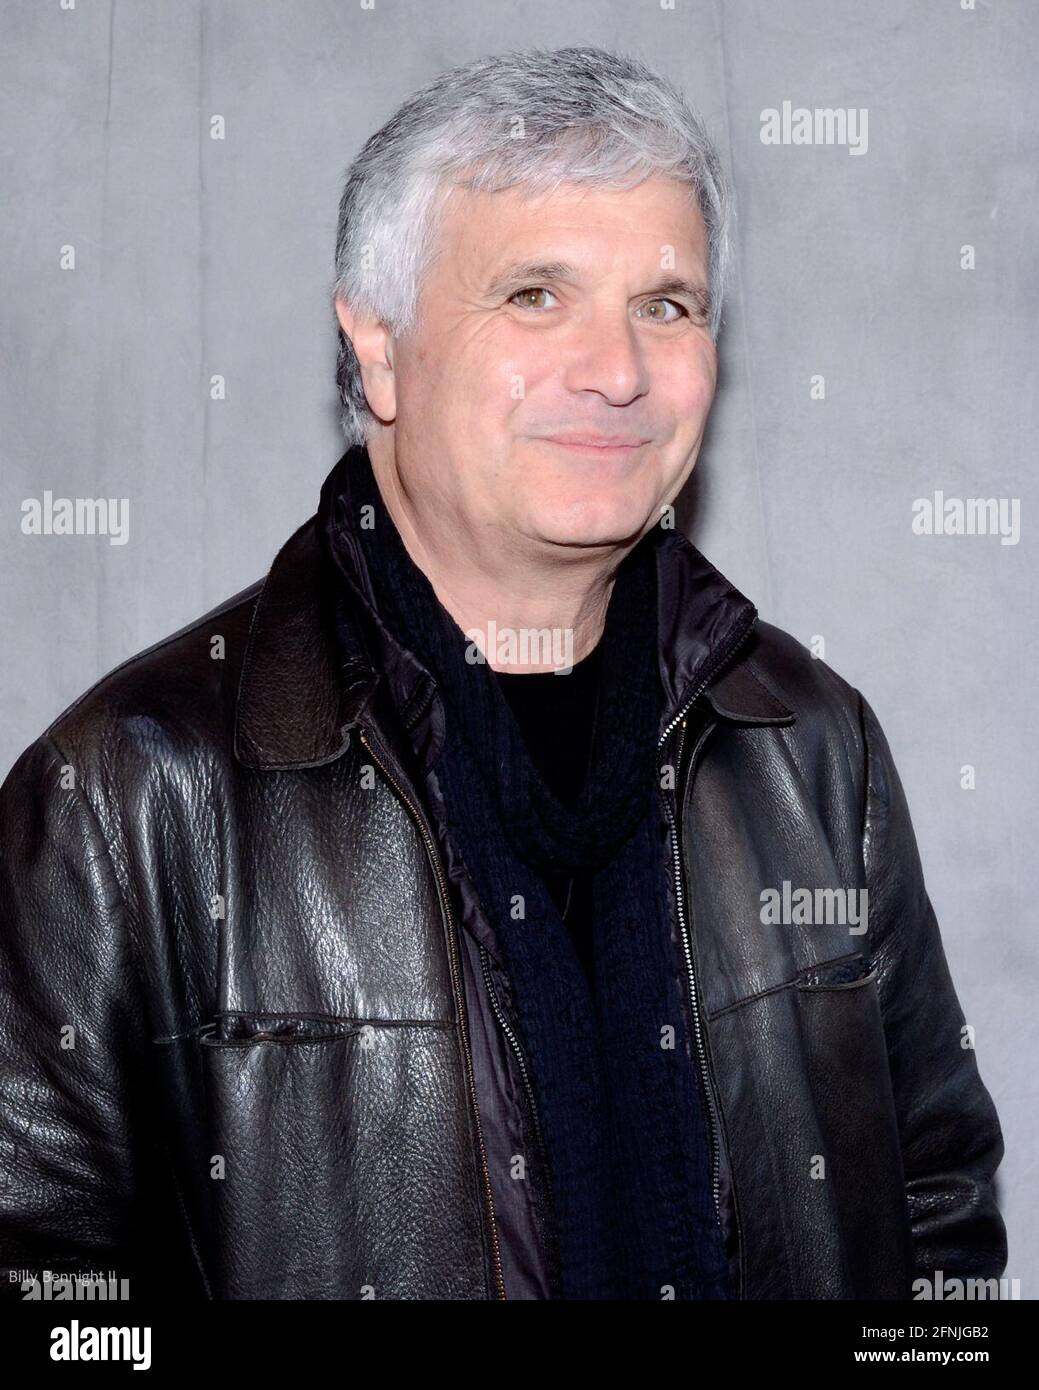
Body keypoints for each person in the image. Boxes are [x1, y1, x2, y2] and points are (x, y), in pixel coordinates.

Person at [0, 45, 1006, 1300]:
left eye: (666, 305)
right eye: (535, 295)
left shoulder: (808, 743)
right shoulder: (128, 789)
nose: (618, 371)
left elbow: (936, 1208)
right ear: (376, 347)